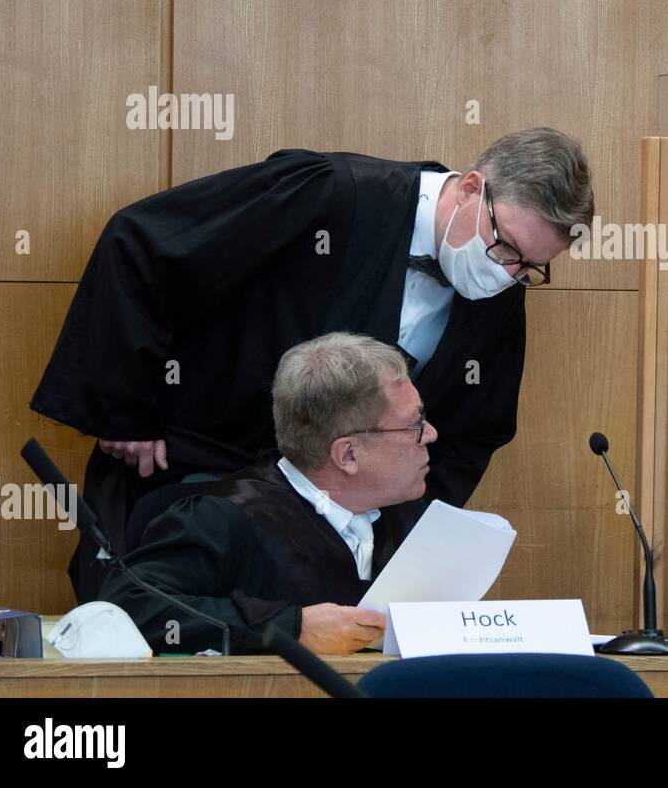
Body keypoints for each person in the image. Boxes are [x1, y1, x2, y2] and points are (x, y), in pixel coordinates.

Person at [32, 128, 594, 603]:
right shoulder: (331, 194)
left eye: (530, 268)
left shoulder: (499, 286)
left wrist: (404, 535)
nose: (507, 275)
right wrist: (125, 409)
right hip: (196, 481)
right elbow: (147, 243)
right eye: (505, 248)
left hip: (339, 533)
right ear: (471, 188)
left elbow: (473, 429)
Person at [99, 333, 436, 654]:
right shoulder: (223, 517)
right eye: (414, 424)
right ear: (348, 454)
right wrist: (289, 628)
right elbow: (127, 608)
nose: (431, 435)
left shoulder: (407, 516)